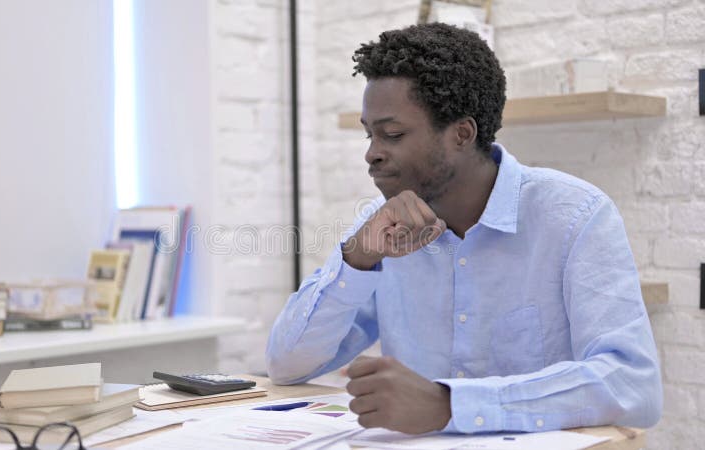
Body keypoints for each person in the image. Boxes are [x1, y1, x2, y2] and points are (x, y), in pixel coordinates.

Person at [265, 22, 662, 434]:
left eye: (393, 134)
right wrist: (357, 259)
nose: (372, 154)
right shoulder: (382, 228)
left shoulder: (575, 217)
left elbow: (633, 385)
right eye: (369, 135)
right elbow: (287, 365)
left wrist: (450, 405)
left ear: (462, 133)